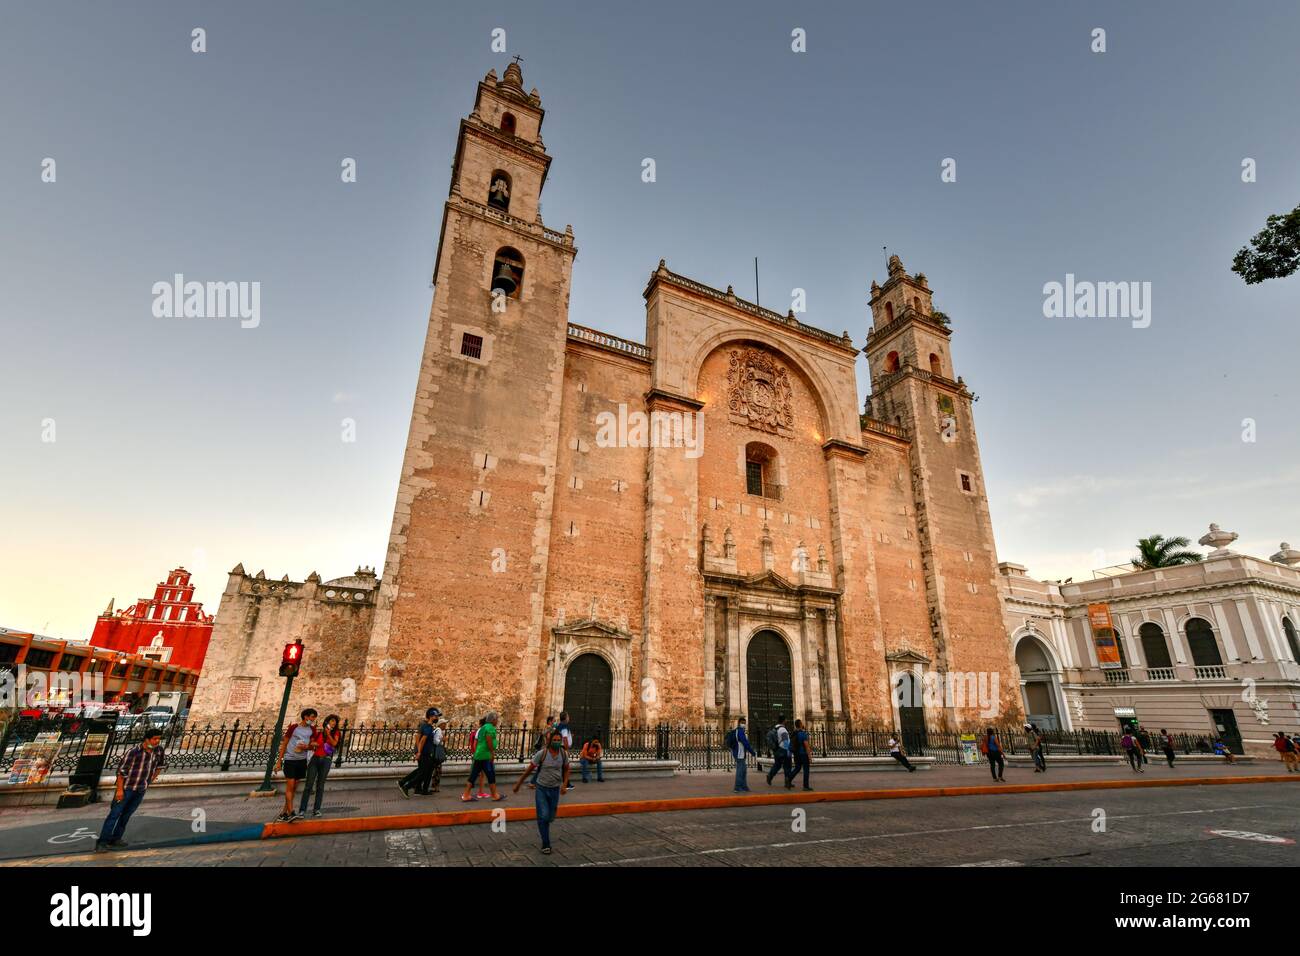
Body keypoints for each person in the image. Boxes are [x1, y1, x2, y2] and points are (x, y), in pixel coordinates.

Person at [94, 728, 167, 852]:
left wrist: (150, 780)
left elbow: (160, 765)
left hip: (140, 789)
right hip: (127, 789)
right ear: (147, 739)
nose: (157, 741)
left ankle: (116, 838)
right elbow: (121, 772)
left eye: (158, 739)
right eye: (155, 739)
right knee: (114, 815)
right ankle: (102, 842)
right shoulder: (134, 752)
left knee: (126, 815)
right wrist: (119, 791)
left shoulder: (158, 751)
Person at [513, 726, 570, 855]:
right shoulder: (542, 753)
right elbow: (529, 769)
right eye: (554, 739)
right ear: (550, 741)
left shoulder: (563, 754)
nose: (556, 742)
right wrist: (519, 783)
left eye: (558, 740)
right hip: (541, 788)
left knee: (550, 817)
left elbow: (567, 768)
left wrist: (564, 784)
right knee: (543, 816)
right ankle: (546, 843)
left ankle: (544, 824)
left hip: (555, 789)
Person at [275, 708, 317, 821]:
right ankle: (291, 812)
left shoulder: (312, 730)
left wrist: (307, 747)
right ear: (305, 716)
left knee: (293, 788)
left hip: (302, 760)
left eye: (314, 717)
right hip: (290, 759)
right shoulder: (294, 728)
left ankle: (284, 813)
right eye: (312, 717)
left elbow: (313, 746)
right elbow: (284, 743)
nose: (313, 719)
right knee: (290, 786)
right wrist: (279, 761)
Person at [300, 713, 341, 817]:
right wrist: (313, 744)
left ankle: (316, 809)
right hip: (315, 759)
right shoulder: (319, 733)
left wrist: (328, 734)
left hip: (326, 760)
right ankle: (302, 810)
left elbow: (334, 744)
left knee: (320, 786)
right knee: (308, 785)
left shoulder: (335, 733)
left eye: (335, 722)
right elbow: (311, 744)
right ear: (327, 722)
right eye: (332, 721)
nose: (333, 723)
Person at [399, 707, 443, 798]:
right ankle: (407, 786)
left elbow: (417, 737)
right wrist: (419, 752)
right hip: (424, 753)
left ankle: (411, 786)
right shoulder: (428, 727)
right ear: (431, 716)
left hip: (424, 752)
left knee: (422, 771)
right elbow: (422, 740)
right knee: (423, 772)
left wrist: (417, 750)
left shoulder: (424, 724)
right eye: (436, 716)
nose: (437, 718)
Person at [462, 711, 505, 802]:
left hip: (479, 754)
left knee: (473, 775)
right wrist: (492, 752)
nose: (497, 721)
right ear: (493, 720)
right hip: (485, 755)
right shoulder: (490, 728)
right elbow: (489, 739)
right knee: (491, 775)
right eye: (496, 719)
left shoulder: (483, 728)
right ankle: (494, 795)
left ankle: (466, 795)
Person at [728, 717, 757, 792]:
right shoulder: (740, 731)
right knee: (740, 771)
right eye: (742, 723)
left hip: (740, 753)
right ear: (739, 723)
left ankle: (744, 786)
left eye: (744, 723)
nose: (744, 724)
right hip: (739, 753)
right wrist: (752, 752)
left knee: (744, 770)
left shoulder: (740, 731)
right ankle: (737, 787)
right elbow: (745, 742)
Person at [786, 719, 813, 791]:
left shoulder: (794, 733)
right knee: (806, 769)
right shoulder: (802, 734)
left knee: (797, 768)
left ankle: (789, 778)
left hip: (796, 754)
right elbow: (806, 746)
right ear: (800, 724)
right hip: (803, 754)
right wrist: (809, 757)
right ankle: (806, 786)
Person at [765, 716, 792, 786]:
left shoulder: (775, 728)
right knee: (787, 765)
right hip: (783, 749)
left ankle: (770, 776)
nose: (787, 721)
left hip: (777, 750)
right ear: (784, 721)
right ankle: (787, 781)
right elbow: (785, 740)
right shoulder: (783, 729)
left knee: (777, 765)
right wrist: (788, 750)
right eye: (786, 719)